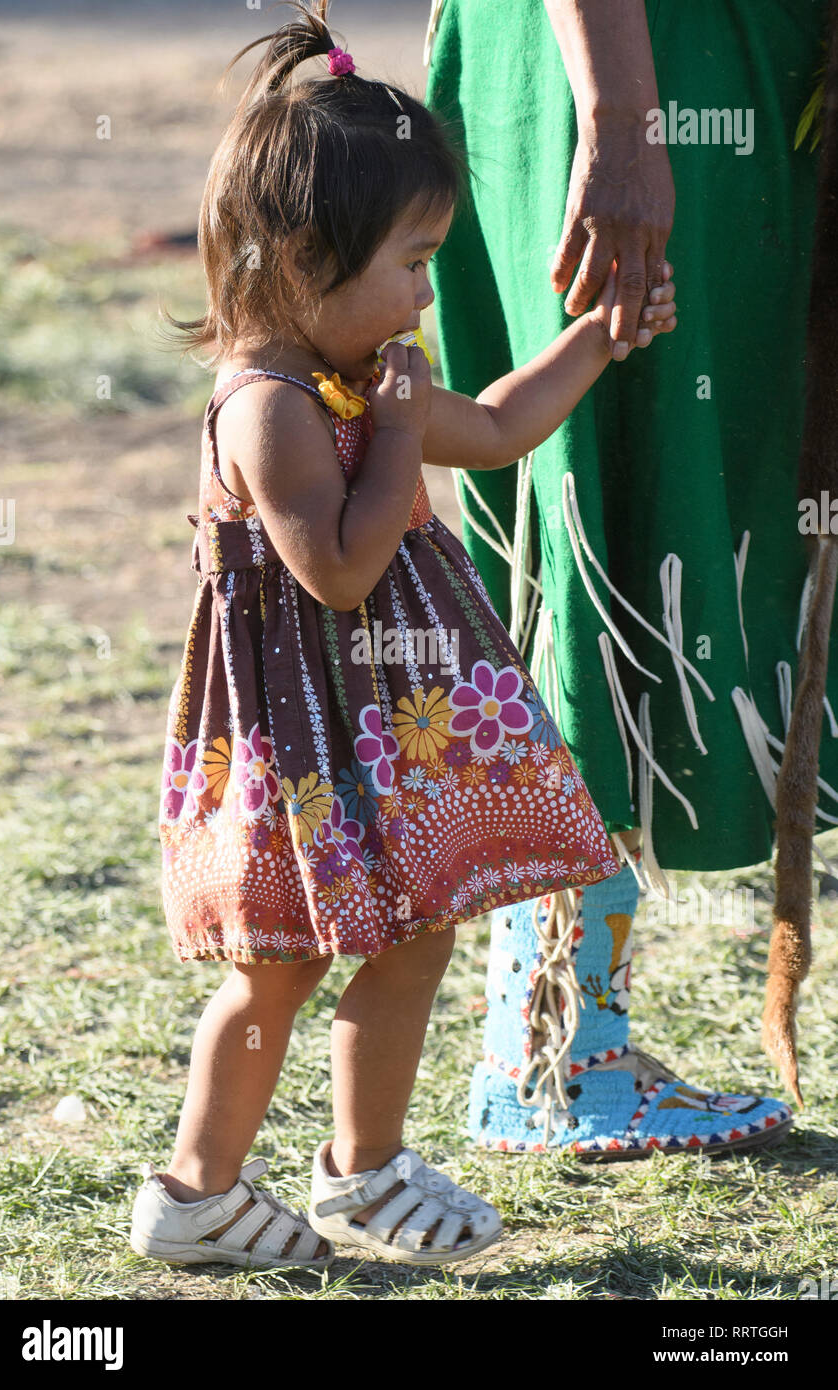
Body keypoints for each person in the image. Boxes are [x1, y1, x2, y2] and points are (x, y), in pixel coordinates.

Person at [128, 0, 678, 1271]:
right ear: (301, 262)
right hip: (301, 758)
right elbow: (336, 568)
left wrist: (594, 341)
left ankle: (362, 1171)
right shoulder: (270, 410)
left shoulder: (351, 381)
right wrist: (388, 439)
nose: (427, 288)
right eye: (412, 259)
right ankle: (196, 1195)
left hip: (374, 739)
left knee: (415, 931)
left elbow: (491, 429)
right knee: (275, 973)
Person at [424, 0, 827, 1155]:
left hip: (701, 73)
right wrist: (620, 120)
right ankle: (552, 1053)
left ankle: (560, 1039)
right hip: (631, 69)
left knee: (666, 491)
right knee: (603, 500)